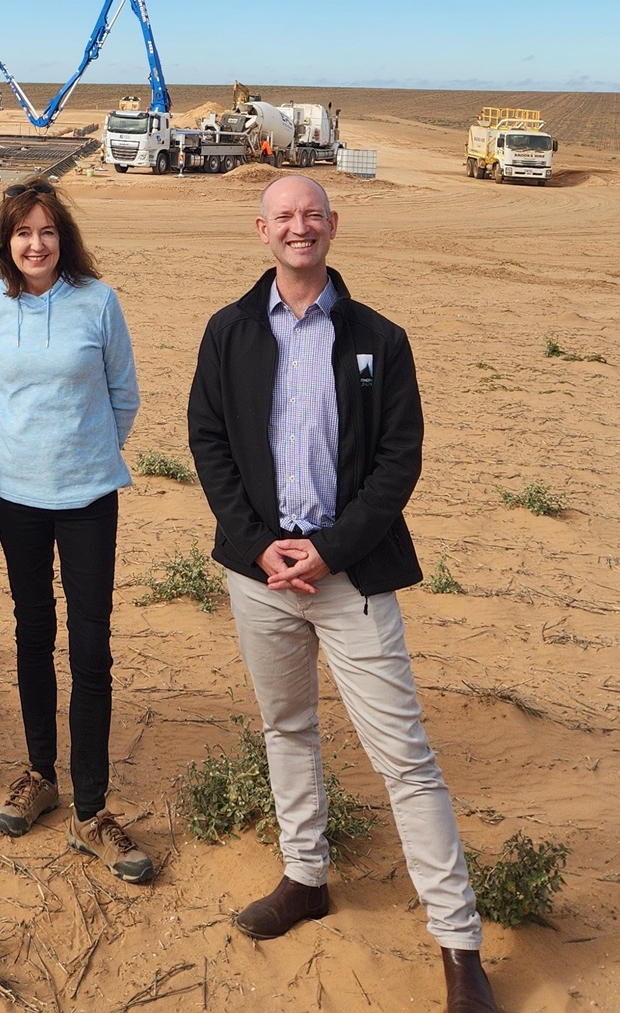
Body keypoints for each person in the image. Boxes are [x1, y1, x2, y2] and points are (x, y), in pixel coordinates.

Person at [186, 175, 500, 1012]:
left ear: (333, 225)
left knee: (405, 756)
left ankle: (459, 945)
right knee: (287, 727)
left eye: (311, 215)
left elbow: (400, 460)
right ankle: (305, 875)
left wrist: (325, 552)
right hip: (258, 577)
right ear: (261, 230)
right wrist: (260, 547)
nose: (299, 227)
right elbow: (208, 444)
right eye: (283, 216)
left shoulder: (378, 337)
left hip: (349, 577)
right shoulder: (227, 333)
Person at [0, 179, 150, 883]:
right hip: (16, 494)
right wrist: (13, 448)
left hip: (88, 496)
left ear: (62, 236)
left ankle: (93, 806)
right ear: (5, 241)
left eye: (46, 231)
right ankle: (40, 773)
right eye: (22, 233)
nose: (35, 244)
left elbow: (123, 391)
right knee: (31, 630)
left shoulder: (97, 302)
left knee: (90, 643)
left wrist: (88, 449)